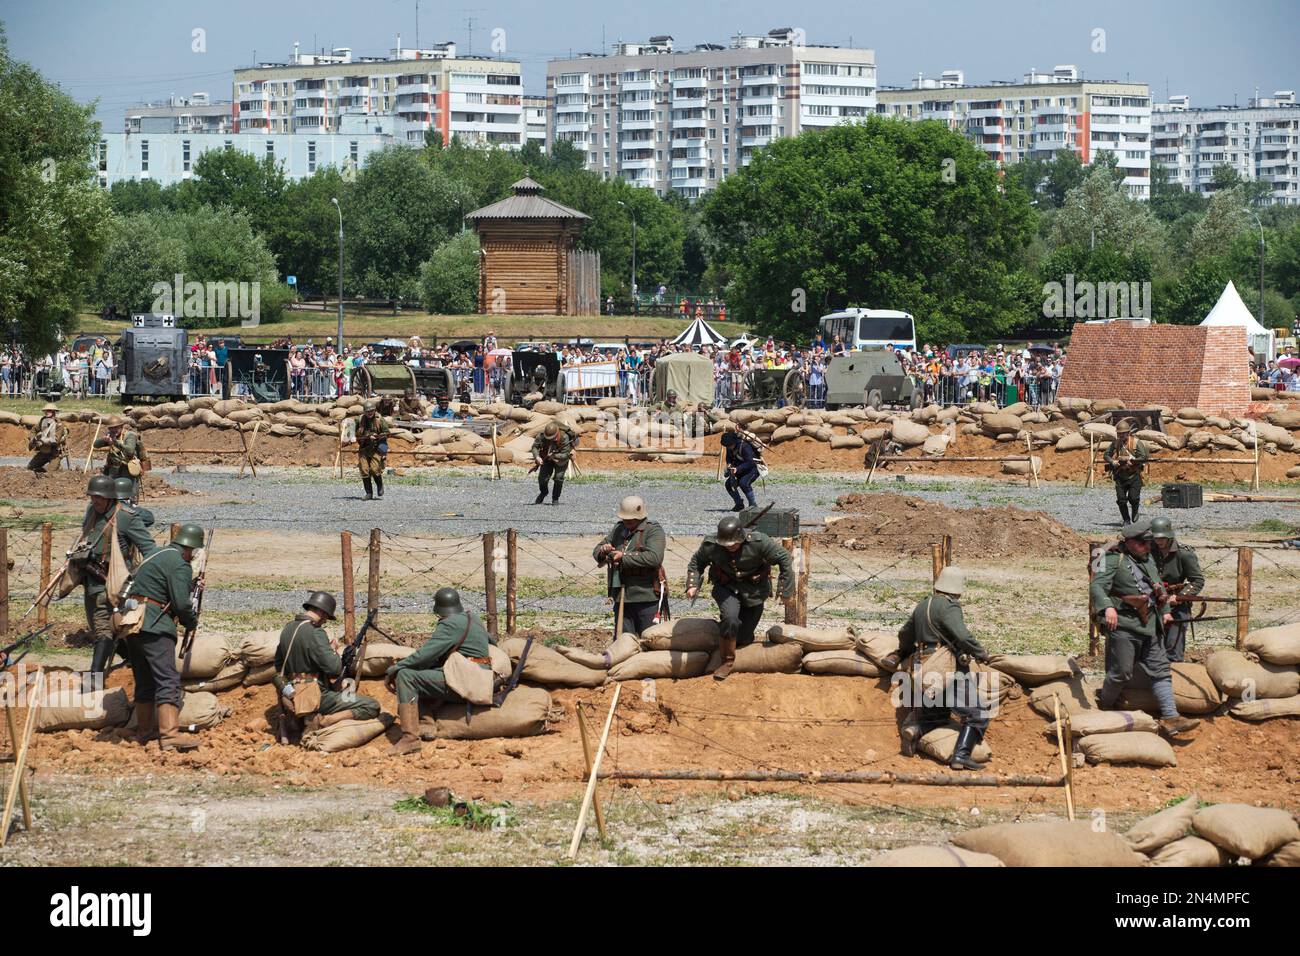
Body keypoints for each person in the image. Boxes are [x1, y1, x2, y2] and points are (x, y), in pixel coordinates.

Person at [1091, 520, 1200, 738]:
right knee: (1121, 673)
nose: (1148, 547)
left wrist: (1166, 610)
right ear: (1131, 542)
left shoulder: (1148, 558)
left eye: (1149, 543)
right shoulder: (1111, 559)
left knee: (1161, 671)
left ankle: (1170, 717)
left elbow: (1158, 587)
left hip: (1151, 624)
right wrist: (1107, 608)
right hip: (1123, 625)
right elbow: (1096, 585)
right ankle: (1104, 708)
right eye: (1143, 544)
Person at [881, 567, 993, 770]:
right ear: (957, 590)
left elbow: (905, 634)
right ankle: (961, 756)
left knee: (938, 716)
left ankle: (916, 730)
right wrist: (981, 652)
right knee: (978, 714)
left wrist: (902, 652)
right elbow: (962, 635)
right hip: (947, 668)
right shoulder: (949, 607)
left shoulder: (923, 605)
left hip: (924, 666)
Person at [123, 523, 203, 751]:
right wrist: (191, 621)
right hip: (155, 626)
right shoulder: (180, 564)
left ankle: (144, 731)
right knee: (167, 679)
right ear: (191, 549)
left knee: (144, 680)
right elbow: (180, 603)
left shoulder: (156, 553)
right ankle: (169, 737)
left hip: (133, 623)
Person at [386, 587, 493, 757]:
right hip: (481, 675)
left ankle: (410, 740)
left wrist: (397, 667)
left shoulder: (449, 624)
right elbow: (491, 642)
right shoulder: (473, 618)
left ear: (439, 608)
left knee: (406, 676)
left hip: (466, 680)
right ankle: (425, 723)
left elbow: (425, 654)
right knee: (426, 673)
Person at [71, 475, 157, 685]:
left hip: (112, 584)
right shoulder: (92, 512)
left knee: (103, 631)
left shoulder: (126, 516)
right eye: (92, 497)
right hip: (91, 581)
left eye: (99, 498)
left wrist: (136, 579)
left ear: (110, 498)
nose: (95, 501)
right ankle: (135, 662)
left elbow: (151, 551)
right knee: (104, 629)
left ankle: (94, 680)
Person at [685, 515, 793, 681]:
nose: (730, 547)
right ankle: (727, 661)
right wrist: (692, 585)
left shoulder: (759, 542)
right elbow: (696, 562)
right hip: (726, 588)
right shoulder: (711, 545)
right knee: (730, 617)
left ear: (741, 538)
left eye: (734, 543)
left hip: (754, 591)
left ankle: (730, 636)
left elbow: (784, 558)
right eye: (726, 544)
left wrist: (785, 590)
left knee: (743, 636)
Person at [274, 591, 381, 737]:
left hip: (293, 690)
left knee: (345, 688)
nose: (325, 621)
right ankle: (324, 721)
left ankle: (302, 717)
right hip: (316, 694)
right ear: (323, 612)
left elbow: (279, 665)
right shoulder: (316, 632)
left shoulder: (288, 628)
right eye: (326, 617)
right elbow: (334, 667)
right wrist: (333, 651)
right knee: (371, 706)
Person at [593, 496, 667, 637]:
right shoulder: (619, 528)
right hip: (622, 595)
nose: (626, 522)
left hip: (646, 596)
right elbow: (597, 550)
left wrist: (624, 557)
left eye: (630, 520)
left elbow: (654, 558)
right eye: (625, 519)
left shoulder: (653, 530)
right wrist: (604, 550)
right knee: (623, 641)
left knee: (649, 639)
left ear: (639, 517)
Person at [1149, 516, 1204, 664]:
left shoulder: (1184, 554)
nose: (1158, 541)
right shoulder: (1148, 551)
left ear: (1169, 537)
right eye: (1156, 538)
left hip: (1177, 603)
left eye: (1161, 538)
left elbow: (1197, 580)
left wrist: (1179, 597)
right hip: (1153, 601)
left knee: (1174, 645)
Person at [1104, 420, 1148, 524]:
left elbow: (1144, 457)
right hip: (1120, 475)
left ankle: (1135, 511)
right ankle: (1126, 520)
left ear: (1128, 433)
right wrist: (1113, 461)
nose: (1121, 435)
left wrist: (1133, 461)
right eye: (1119, 433)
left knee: (1133, 498)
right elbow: (1106, 455)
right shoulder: (1115, 443)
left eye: (1123, 433)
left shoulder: (1137, 443)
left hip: (1134, 475)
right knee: (1121, 500)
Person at [95, 414, 146, 500]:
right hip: (114, 469)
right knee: (113, 495)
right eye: (111, 428)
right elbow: (95, 445)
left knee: (130, 495)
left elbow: (130, 451)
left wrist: (115, 442)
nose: (113, 430)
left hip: (128, 469)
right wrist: (104, 440)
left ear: (121, 426)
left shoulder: (129, 435)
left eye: (116, 428)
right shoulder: (111, 436)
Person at [531, 421, 575, 505]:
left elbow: (566, 454)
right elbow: (535, 447)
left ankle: (555, 498)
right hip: (546, 459)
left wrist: (555, 456)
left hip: (560, 461)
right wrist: (537, 457)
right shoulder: (542, 436)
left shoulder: (564, 437)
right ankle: (543, 492)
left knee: (558, 478)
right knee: (542, 479)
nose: (549, 439)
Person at [352, 400, 389, 500]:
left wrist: (377, 436)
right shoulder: (359, 420)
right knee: (364, 470)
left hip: (376, 448)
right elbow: (352, 432)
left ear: (374, 410)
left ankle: (380, 485)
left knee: (374, 469)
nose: (369, 413)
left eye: (371, 411)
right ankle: (369, 493)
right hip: (364, 447)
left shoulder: (379, 419)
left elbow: (386, 432)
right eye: (367, 411)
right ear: (364, 412)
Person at [720, 430, 759, 511]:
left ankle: (753, 505)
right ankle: (739, 504)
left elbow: (750, 463)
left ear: (734, 442)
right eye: (727, 446)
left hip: (752, 470)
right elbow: (728, 458)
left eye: (730, 445)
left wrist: (738, 469)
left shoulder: (744, 446)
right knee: (729, 485)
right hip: (738, 470)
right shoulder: (729, 446)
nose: (729, 447)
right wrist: (729, 464)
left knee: (744, 483)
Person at [27, 403, 68, 472]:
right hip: (44, 452)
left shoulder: (59, 424)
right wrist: (33, 439)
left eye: (49, 411)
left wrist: (42, 441)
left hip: (54, 454)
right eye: (45, 411)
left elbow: (55, 440)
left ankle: (57, 466)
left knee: (49, 471)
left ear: (54, 412)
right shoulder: (42, 421)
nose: (47, 412)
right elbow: (33, 430)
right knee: (30, 467)